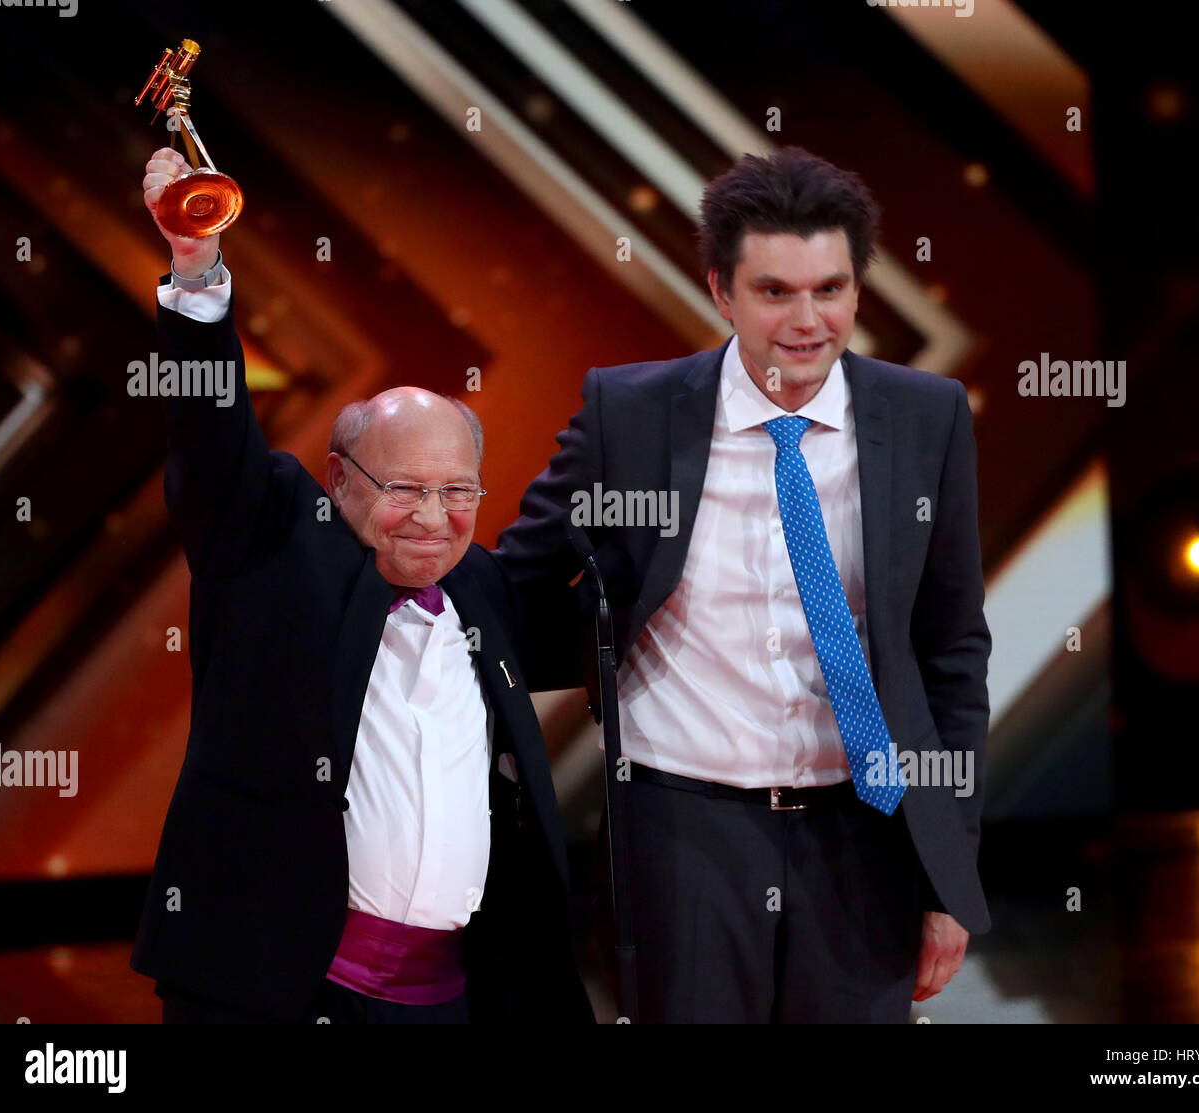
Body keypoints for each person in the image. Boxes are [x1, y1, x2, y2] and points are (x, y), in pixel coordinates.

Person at [494, 147, 992, 1023]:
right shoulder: (632, 416)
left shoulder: (925, 415)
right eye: (775, 292)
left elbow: (951, 648)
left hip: (867, 830)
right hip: (681, 832)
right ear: (721, 292)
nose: (808, 320)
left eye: (830, 289)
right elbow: (516, 583)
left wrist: (946, 870)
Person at [129, 146, 592, 1024]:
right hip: (281, 992)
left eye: (457, 492)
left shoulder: (484, 590)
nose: (431, 515)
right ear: (339, 480)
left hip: (452, 1000)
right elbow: (214, 445)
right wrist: (197, 272)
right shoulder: (274, 555)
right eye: (404, 488)